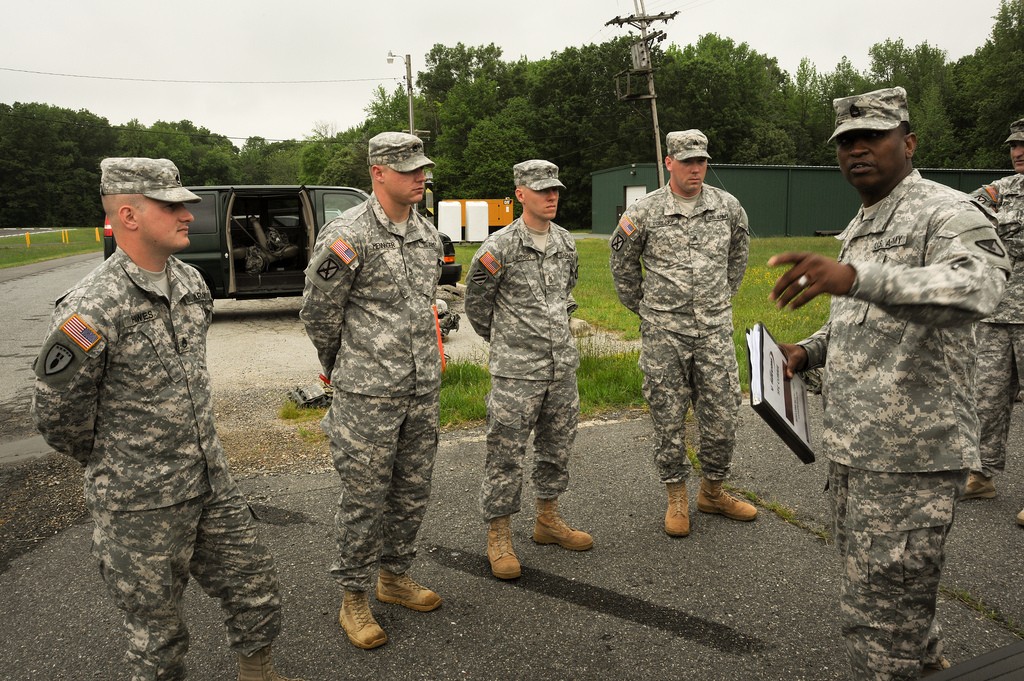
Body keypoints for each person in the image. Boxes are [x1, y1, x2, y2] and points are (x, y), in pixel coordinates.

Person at [767, 87, 1009, 680]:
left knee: (880, 625)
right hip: (859, 453)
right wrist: (807, 351)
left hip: (911, 459)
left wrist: (854, 277)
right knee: (898, 612)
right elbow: (859, 320)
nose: (857, 151)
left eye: (871, 136)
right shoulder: (865, 222)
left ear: (908, 141)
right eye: (846, 142)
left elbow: (980, 290)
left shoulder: (946, 211)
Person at [31, 158, 302, 681]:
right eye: (171, 205)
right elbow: (58, 414)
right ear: (129, 215)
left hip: (209, 483)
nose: (187, 213)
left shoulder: (192, 284)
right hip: (139, 503)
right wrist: (120, 460)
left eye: (184, 203)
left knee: (256, 591)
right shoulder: (89, 309)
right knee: (158, 638)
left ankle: (258, 673)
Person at [300, 131, 444, 650]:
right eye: (408, 170)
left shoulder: (426, 235)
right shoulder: (347, 235)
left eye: (422, 168)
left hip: (421, 388)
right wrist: (344, 366)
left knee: (411, 490)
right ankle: (354, 596)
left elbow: (425, 306)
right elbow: (319, 313)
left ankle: (394, 576)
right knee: (364, 498)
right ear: (378, 174)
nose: (420, 177)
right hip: (367, 395)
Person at [609, 129, 756, 538]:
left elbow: (739, 257)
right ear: (670, 162)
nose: (696, 168)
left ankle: (712, 491)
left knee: (723, 415)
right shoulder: (643, 212)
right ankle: (676, 496)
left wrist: (719, 299)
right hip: (664, 334)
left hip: (713, 331)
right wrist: (649, 310)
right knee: (668, 419)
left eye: (702, 161)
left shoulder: (728, 208)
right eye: (688, 161)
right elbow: (622, 269)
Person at [464, 159, 593, 581]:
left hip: (561, 368)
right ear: (521, 194)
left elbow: (566, 295)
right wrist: (508, 344)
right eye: (542, 190)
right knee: (505, 455)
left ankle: (547, 520)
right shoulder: (497, 248)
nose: (551, 196)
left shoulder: (566, 243)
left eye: (555, 189)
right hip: (516, 373)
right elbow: (478, 309)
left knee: (557, 448)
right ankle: (499, 535)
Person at [962, 117, 1024, 512]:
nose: (1018, 153)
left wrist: (1002, 238)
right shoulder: (1002, 190)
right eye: (1014, 147)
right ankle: (981, 475)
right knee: (986, 397)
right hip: (996, 312)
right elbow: (964, 218)